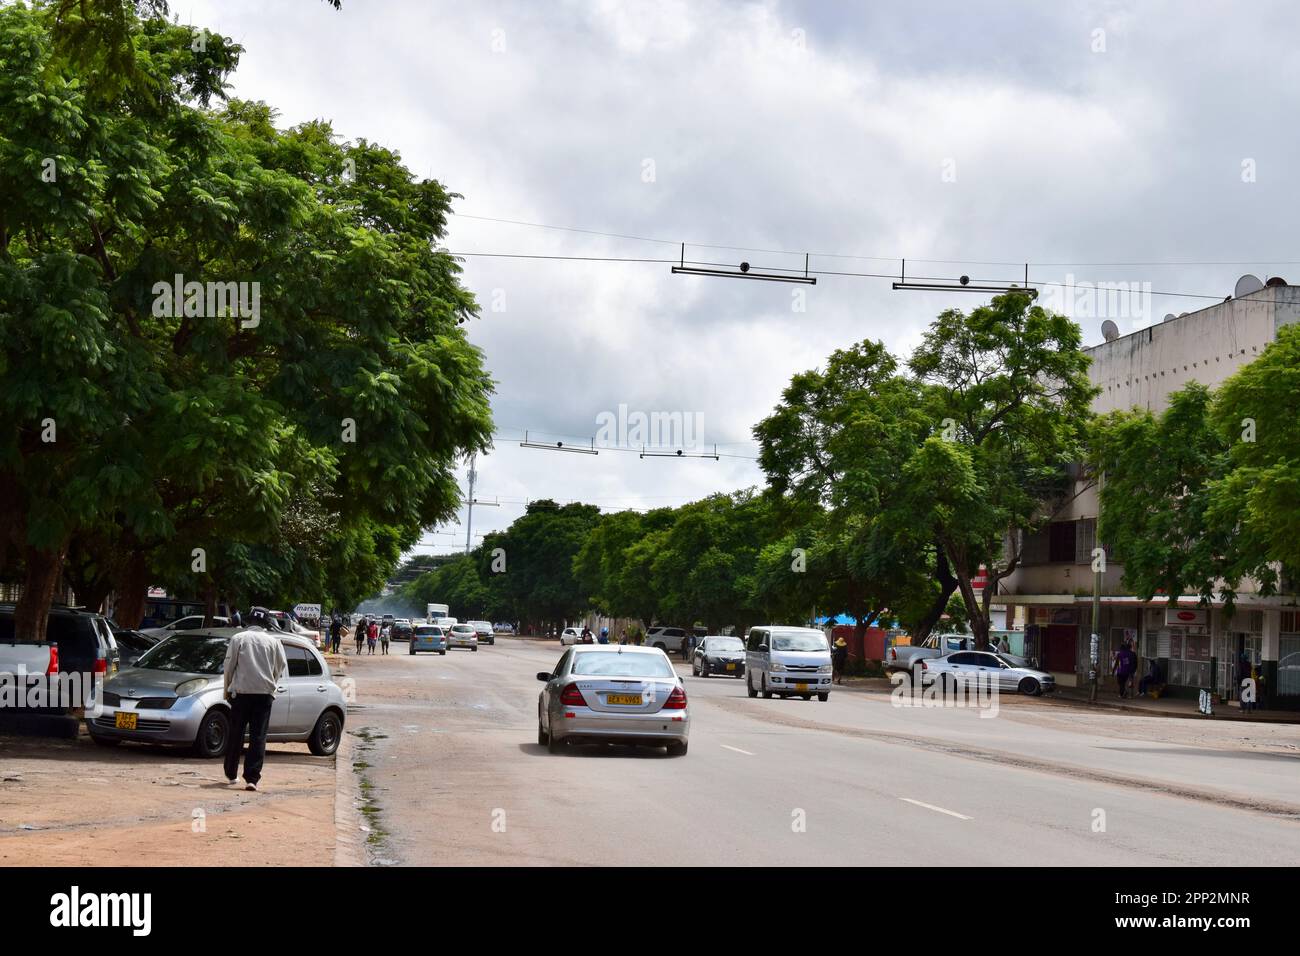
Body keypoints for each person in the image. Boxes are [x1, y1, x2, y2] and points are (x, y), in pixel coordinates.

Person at [222, 627, 288, 792]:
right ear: (264, 625)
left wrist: (227, 689)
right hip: (264, 695)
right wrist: (271, 684)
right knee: (258, 737)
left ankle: (231, 774)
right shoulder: (273, 642)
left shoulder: (239, 638)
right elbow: (281, 665)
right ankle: (252, 779)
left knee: (236, 734)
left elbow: (229, 665)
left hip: (241, 693)